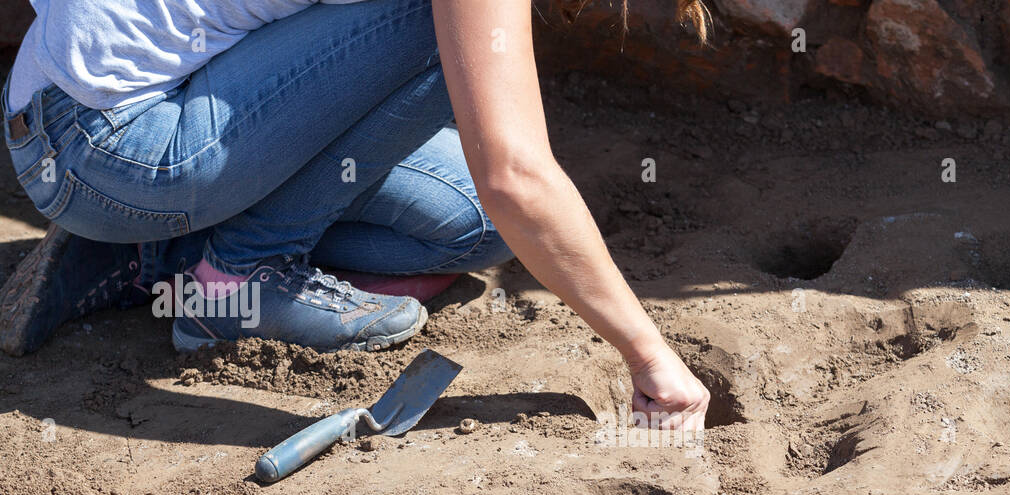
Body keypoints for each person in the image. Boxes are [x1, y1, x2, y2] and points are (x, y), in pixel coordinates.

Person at [2, 0, 710, 430]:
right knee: (439, 31)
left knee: (481, 226)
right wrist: (651, 358)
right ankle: (235, 277)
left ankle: (162, 250)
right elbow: (516, 175)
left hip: (132, 108)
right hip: (104, 142)